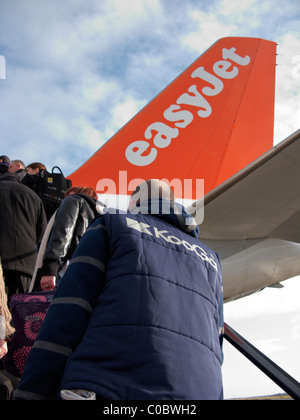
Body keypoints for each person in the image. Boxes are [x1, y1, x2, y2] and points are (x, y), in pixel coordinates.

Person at [14, 180, 224, 400]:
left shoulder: (112, 225)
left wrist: (31, 392)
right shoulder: (211, 259)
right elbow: (217, 345)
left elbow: (67, 314)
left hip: (107, 386)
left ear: (134, 201)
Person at [39, 186, 104, 291]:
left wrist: (50, 267)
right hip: (91, 271)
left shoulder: (73, 200)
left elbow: (63, 233)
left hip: (66, 268)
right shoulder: (103, 215)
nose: (63, 200)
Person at [0, 173, 47, 299]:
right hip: (25, 261)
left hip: (2, 258)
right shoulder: (34, 196)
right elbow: (42, 234)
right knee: (17, 309)